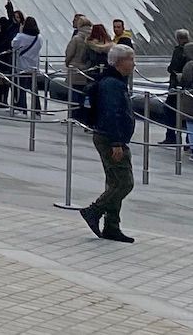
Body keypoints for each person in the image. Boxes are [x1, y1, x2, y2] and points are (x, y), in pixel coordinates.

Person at [79, 43, 137, 243]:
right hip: (111, 138)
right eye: (131, 59)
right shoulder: (112, 84)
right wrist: (116, 142)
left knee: (114, 182)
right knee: (124, 183)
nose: (134, 63)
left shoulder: (113, 81)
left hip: (109, 137)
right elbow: (110, 113)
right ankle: (94, 211)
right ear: (120, 62)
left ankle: (112, 226)